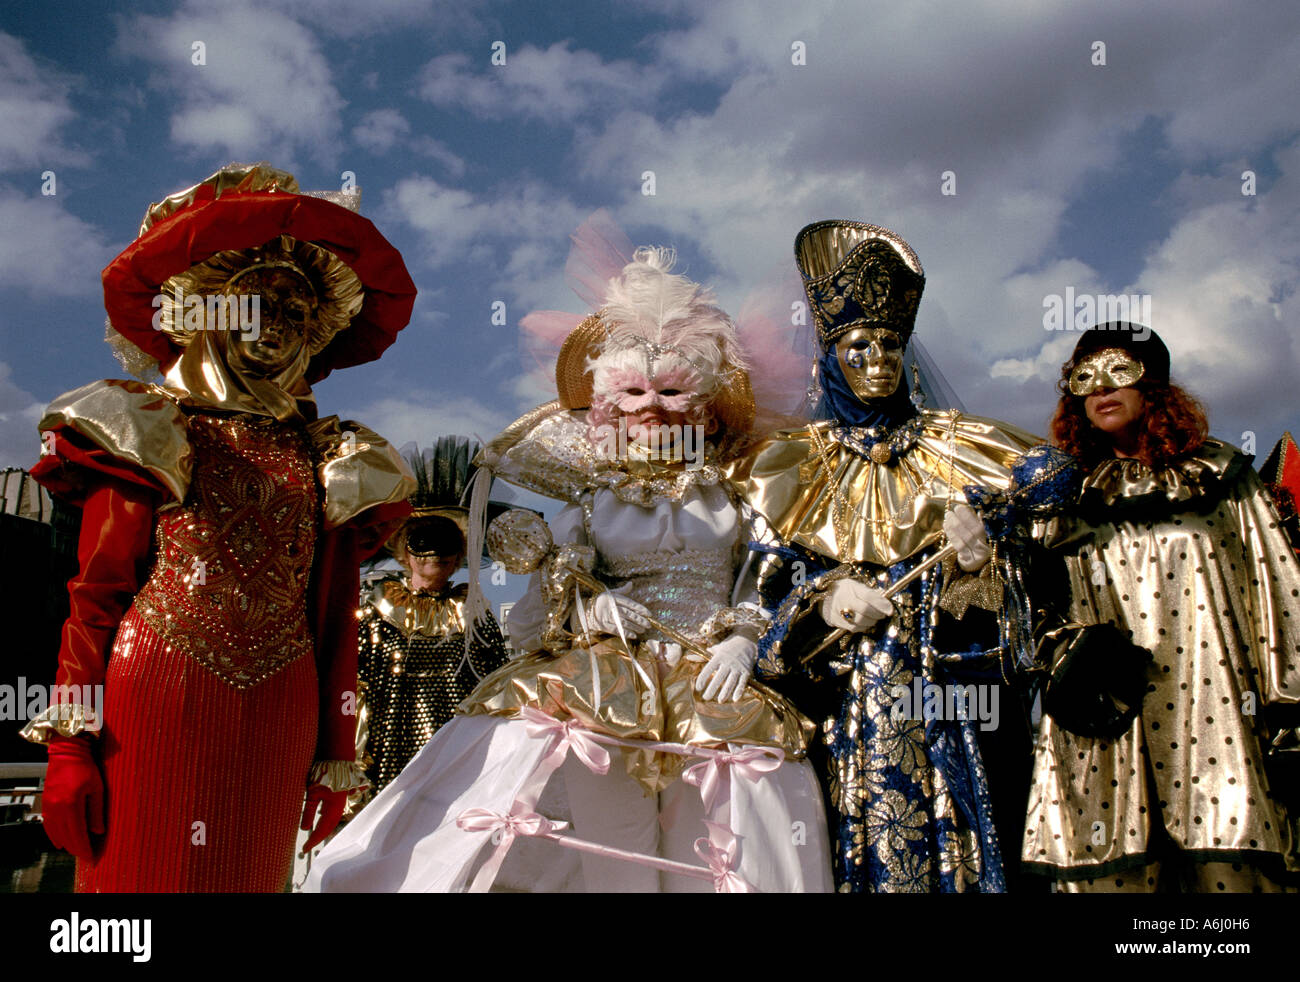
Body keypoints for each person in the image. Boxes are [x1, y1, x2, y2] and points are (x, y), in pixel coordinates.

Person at [305, 246, 833, 893]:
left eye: (670, 390)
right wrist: (589, 605)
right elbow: (545, 599)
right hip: (604, 679)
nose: (652, 407)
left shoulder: (735, 495)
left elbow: (766, 572)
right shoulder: (593, 502)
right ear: (608, 404)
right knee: (618, 848)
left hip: (713, 684)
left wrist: (744, 637)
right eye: (635, 391)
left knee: (719, 840)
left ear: (702, 404)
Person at [21, 162, 416, 891]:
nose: (276, 328)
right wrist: (72, 744)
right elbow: (96, 594)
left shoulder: (332, 456)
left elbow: (335, 621)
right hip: (155, 693)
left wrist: (336, 753)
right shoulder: (152, 427)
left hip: (281, 705)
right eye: (254, 306)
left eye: (296, 314)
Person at [734, 220, 1041, 892]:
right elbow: (758, 607)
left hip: (943, 697)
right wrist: (824, 606)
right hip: (842, 705)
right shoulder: (789, 467)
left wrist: (975, 567)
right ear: (829, 355)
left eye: (891, 344)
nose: (878, 359)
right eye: (859, 344)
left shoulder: (959, 452)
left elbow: (1019, 619)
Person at [1022, 322, 1300, 892]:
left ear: (1154, 386)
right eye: (1084, 378)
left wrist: (1289, 702)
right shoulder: (1065, 492)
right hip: (1105, 712)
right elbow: (1035, 606)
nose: (1100, 388)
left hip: (1214, 704)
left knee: (1227, 865)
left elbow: (1280, 585)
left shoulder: (1222, 476)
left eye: (1118, 372)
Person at [355, 440, 509, 797]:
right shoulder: (376, 609)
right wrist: (353, 758)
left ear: (459, 557)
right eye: (423, 544)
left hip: (456, 744)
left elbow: (496, 680)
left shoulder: (473, 613)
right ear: (404, 552)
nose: (434, 556)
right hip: (390, 738)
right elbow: (356, 682)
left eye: (447, 547)